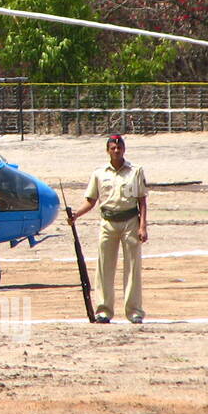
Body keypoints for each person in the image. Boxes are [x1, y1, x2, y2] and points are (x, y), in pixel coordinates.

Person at [68, 133, 147, 323]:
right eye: (113, 148)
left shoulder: (135, 171)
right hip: (108, 222)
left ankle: (134, 311)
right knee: (104, 267)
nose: (117, 151)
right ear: (108, 150)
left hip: (130, 221)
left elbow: (142, 200)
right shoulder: (99, 173)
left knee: (132, 268)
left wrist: (143, 226)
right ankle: (103, 310)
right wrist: (76, 215)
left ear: (124, 149)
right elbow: (91, 201)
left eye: (119, 148)